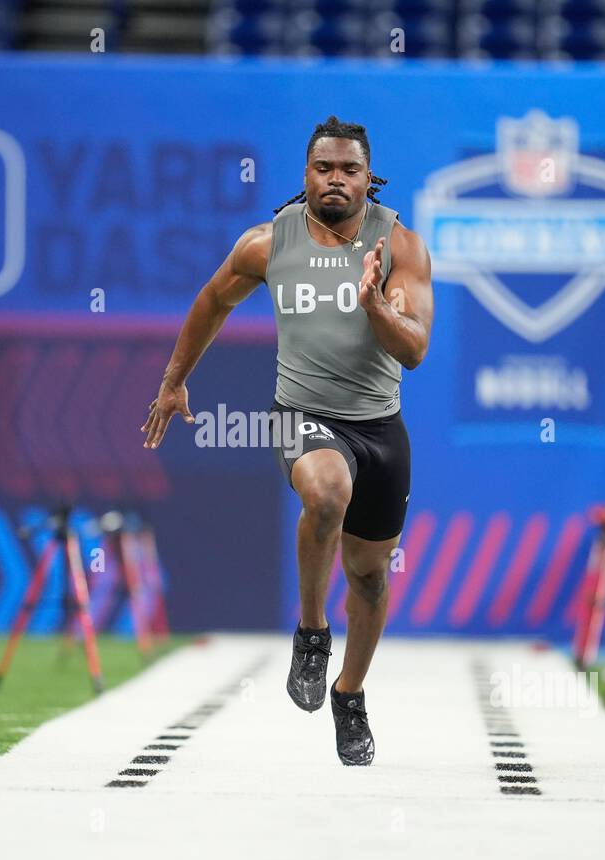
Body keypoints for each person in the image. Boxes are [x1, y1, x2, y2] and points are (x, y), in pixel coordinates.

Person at [140, 116, 434, 765]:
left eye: (348, 170)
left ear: (368, 178)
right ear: (306, 174)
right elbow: (213, 300)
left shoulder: (400, 246)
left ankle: (349, 694)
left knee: (370, 575)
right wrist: (174, 382)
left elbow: (415, 350)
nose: (335, 179)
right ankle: (310, 631)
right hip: (300, 414)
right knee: (327, 493)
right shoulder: (269, 243)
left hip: (380, 427)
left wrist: (378, 308)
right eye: (323, 168)